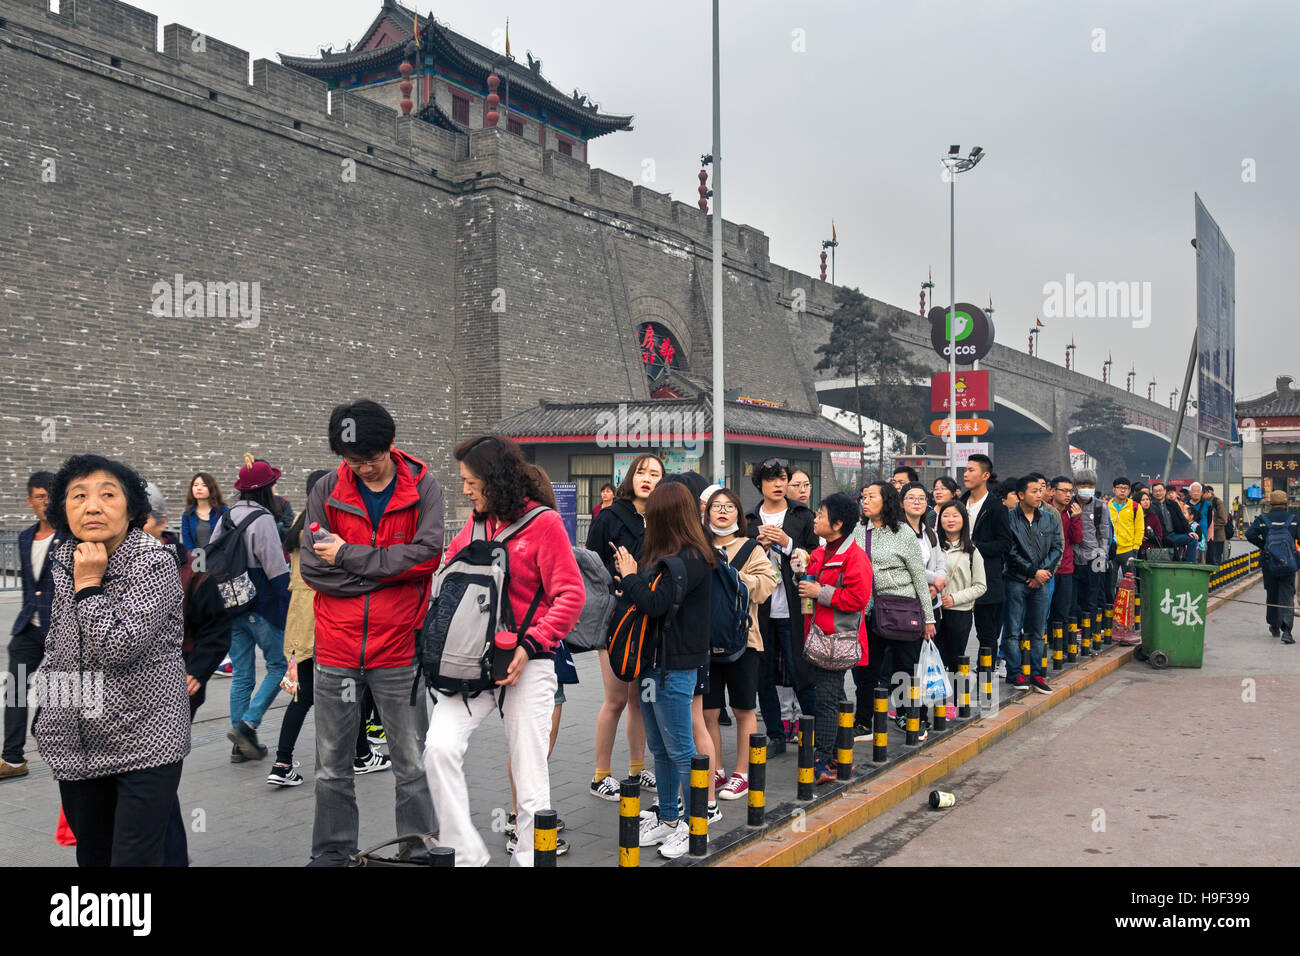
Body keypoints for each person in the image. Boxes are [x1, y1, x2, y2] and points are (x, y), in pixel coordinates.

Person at [423, 435, 584, 867]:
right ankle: (467, 853)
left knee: (530, 769)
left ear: (494, 480)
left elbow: (570, 594)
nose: (465, 489)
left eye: (471, 481)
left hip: (527, 661)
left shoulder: (544, 524)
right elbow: (445, 577)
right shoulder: (474, 526)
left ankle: (531, 858)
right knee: (438, 747)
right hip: (470, 661)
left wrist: (531, 645)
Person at [300, 400, 442, 866]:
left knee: (411, 762)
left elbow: (426, 556)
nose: (361, 468)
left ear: (390, 447)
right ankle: (332, 853)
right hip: (337, 647)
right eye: (352, 461)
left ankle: (418, 851)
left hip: (399, 647)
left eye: (370, 459)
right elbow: (310, 567)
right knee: (331, 766)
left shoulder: (422, 486)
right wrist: (386, 570)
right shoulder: (327, 487)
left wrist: (347, 555)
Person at [33, 455, 189, 866]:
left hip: (144, 742)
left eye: (107, 494)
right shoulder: (68, 556)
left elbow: (120, 646)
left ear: (132, 506)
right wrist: (47, 715)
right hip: (79, 746)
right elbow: (59, 646)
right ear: (62, 510)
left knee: (133, 859)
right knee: (93, 856)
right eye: (78, 496)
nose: (93, 506)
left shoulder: (152, 562)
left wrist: (88, 587)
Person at [268, 471, 386, 786]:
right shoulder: (325, 531)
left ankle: (281, 763)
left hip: (297, 624)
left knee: (300, 696)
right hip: (326, 622)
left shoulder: (298, 527)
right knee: (352, 690)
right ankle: (360, 756)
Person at [616, 482, 714, 859]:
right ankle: (669, 817)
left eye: (649, 514)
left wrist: (629, 576)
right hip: (652, 665)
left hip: (673, 667)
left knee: (680, 748)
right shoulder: (673, 556)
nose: (645, 520)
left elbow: (655, 604)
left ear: (663, 516)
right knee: (660, 746)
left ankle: (694, 824)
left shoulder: (690, 558)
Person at [585, 453, 663, 800]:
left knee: (639, 699)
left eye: (655, 474)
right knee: (616, 698)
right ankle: (600, 774)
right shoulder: (610, 516)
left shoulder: (661, 518)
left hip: (647, 614)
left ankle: (636, 769)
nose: (647, 478)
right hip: (615, 614)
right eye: (642, 472)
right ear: (631, 476)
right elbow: (590, 564)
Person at [213, 455, 291, 763]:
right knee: (278, 666)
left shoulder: (226, 516)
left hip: (230, 604)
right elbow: (275, 569)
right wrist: (286, 612)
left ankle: (240, 746)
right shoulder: (263, 520)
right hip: (260, 604)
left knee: (242, 674)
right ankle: (248, 725)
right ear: (266, 489)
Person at [703, 488, 779, 800]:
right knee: (708, 711)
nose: (722, 511)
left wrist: (732, 578)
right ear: (706, 514)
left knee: (743, 708)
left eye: (729, 506)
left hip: (745, 641)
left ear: (738, 514)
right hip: (705, 643)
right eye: (716, 506)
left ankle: (742, 773)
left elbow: (766, 587)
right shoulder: (699, 548)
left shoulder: (751, 549)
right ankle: (717, 768)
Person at [796, 493, 871, 783]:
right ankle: (842, 755)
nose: (815, 519)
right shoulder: (823, 551)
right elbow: (810, 582)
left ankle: (824, 760)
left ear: (837, 524)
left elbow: (858, 598)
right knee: (836, 698)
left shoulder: (854, 557)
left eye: (820, 515)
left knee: (826, 701)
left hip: (837, 640)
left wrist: (820, 594)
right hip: (821, 636)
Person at [746, 458, 817, 756]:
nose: (778, 484)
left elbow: (817, 555)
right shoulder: (749, 519)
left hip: (793, 606)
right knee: (763, 675)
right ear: (759, 483)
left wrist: (789, 544)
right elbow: (740, 560)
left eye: (782, 478)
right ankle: (775, 734)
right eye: (771, 479)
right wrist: (758, 549)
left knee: (800, 669)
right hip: (761, 610)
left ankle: (811, 733)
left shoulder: (802, 515)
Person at [857, 481, 937, 739]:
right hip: (869, 613)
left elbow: (918, 577)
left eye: (871, 497)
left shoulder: (903, 533)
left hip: (903, 611)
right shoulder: (858, 531)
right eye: (864, 497)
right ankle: (864, 721)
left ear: (887, 501)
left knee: (907, 668)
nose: (865, 501)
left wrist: (929, 618)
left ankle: (913, 717)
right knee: (866, 671)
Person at [2, 472, 65, 781]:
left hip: (61, 630)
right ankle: (12, 759)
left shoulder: (70, 535)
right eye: (40, 497)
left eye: (51, 496)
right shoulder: (26, 536)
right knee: (14, 690)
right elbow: (30, 586)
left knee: (54, 694)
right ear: (31, 501)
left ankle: (52, 740)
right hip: (29, 626)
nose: (46, 503)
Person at [1002, 476, 1063, 694]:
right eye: (1034, 491)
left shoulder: (1049, 518)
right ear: (1020, 495)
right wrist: (1031, 572)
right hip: (1016, 581)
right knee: (1012, 630)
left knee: (1038, 630)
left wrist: (1042, 574)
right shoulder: (1008, 519)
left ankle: (1037, 673)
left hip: (1042, 581)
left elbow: (1057, 548)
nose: (1039, 495)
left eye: (1041, 490)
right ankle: (1015, 672)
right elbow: (1009, 551)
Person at [961, 454, 1013, 682]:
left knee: (987, 633)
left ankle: (986, 673)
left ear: (985, 475)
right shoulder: (960, 503)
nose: (966, 473)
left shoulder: (995, 507)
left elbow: (1004, 543)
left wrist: (974, 547)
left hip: (986, 578)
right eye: (965, 469)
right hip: (958, 578)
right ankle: (954, 673)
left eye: (971, 470)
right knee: (957, 629)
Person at [936, 501, 986, 714]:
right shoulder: (933, 546)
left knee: (957, 659)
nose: (950, 519)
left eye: (955, 515)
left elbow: (981, 586)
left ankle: (955, 701)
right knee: (934, 659)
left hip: (960, 613)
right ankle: (933, 701)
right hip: (934, 612)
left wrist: (955, 599)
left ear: (964, 520)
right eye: (946, 515)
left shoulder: (972, 551)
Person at [1245, 490, 1299, 644]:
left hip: (1269, 563)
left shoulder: (1263, 519)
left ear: (1270, 504)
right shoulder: (1294, 519)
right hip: (1288, 564)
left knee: (1272, 593)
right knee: (1287, 595)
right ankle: (1287, 631)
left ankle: (1274, 625)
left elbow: (1249, 534)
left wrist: (1265, 546)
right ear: (1285, 503)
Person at [1071, 470, 1112, 639]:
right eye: (1082, 485)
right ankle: (1076, 630)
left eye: (1090, 486)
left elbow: (1104, 534)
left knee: (1093, 595)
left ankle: (1093, 631)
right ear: (1076, 486)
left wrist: (1102, 556)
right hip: (1073, 558)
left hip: (1094, 558)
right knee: (1073, 598)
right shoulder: (1069, 505)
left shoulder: (1100, 506)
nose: (1086, 489)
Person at [900, 482, 945, 619]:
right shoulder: (896, 534)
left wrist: (936, 586)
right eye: (911, 498)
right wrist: (934, 578)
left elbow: (941, 563)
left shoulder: (930, 533)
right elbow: (905, 566)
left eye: (921, 498)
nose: (917, 502)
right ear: (901, 503)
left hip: (931, 601)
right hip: (906, 603)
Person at [1048, 476, 1082, 631]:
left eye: (1071, 491)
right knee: (1045, 609)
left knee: (1063, 610)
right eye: (1064, 491)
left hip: (1066, 567)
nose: (1068, 495)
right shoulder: (1044, 511)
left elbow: (1077, 539)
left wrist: (1075, 519)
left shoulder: (1072, 512)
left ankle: (1059, 646)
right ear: (1053, 491)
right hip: (1047, 568)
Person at [1107, 477, 1144, 595]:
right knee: (1109, 583)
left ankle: (1133, 610)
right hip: (1110, 551)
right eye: (1120, 488)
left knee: (1131, 583)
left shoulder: (1135, 507)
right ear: (1114, 489)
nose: (1123, 491)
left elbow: (1139, 529)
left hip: (1128, 550)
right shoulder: (1106, 506)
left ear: (1129, 491)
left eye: (1126, 488)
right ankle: (1111, 610)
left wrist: (1135, 548)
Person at [180, 472, 228, 552]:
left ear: (212, 488)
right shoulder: (188, 515)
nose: (199, 488)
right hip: (197, 561)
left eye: (204, 485)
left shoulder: (224, 512)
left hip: (219, 560)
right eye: (195, 485)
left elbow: (228, 539)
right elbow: (187, 542)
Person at [1203, 484, 1229, 567]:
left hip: (1217, 536)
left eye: (1202, 492)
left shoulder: (1217, 502)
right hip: (1206, 537)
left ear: (1208, 492)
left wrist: (1210, 528)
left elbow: (1223, 520)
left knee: (1215, 560)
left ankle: (1216, 578)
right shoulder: (1203, 503)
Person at [1186, 483, 1212, 564]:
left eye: (1198, 491)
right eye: (1193, 491)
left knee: (1202, 560)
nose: (1196, 493)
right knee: (1188, 560)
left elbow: (1210, 520)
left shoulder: (1207, 504)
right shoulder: (1185, 504)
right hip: (1187, 537)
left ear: (1201, 493)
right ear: (1190, 493)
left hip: (1202, 538)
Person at [1136, 489, 1164, 559]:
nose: (1146, 502)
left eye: (1147, 499)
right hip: (1134, 548)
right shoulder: (1133, 515)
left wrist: (1149, 538)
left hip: (1150, 551)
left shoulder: (1153, 516)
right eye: (1143, 500)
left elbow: (1159, 535)